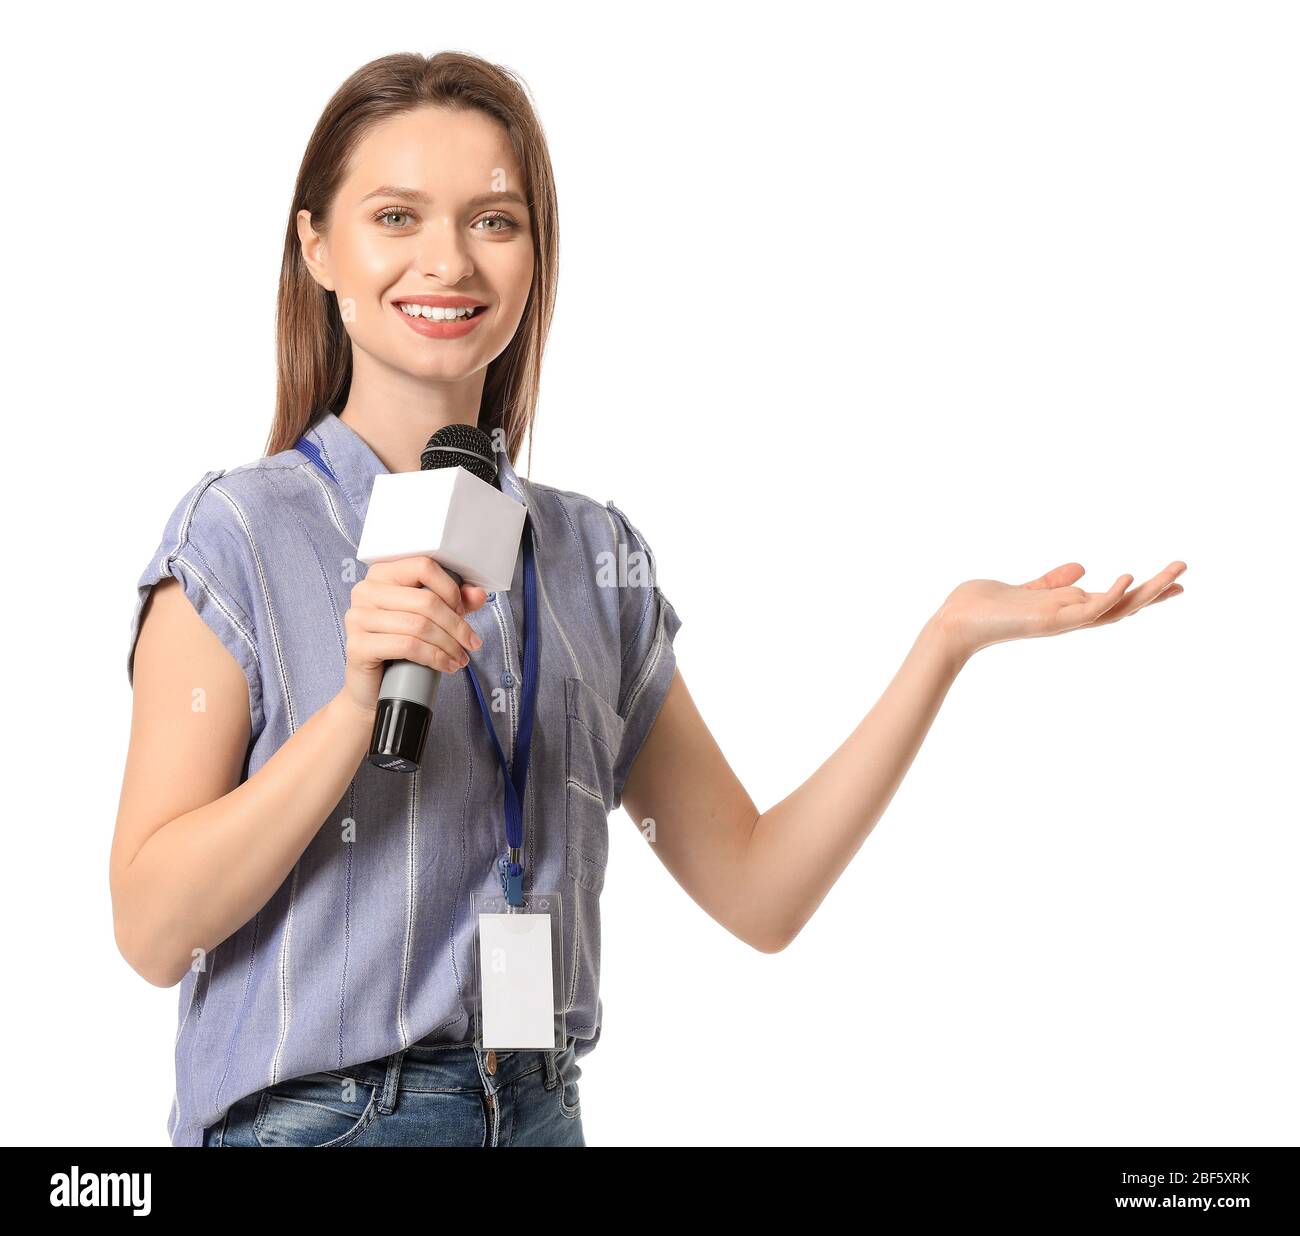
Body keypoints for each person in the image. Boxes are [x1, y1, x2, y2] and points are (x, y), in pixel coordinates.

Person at [112, 51, 1187, 1149]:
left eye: (493, 220)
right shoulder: (237, 535)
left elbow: (759, 893)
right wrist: (350, 714)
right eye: (396, 216)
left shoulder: (589, 553)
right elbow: (151, 932)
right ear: (317, 247)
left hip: (539, 1117)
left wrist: (944, 643)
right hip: (323, 1124)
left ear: (535, 257)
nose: (447, 260)